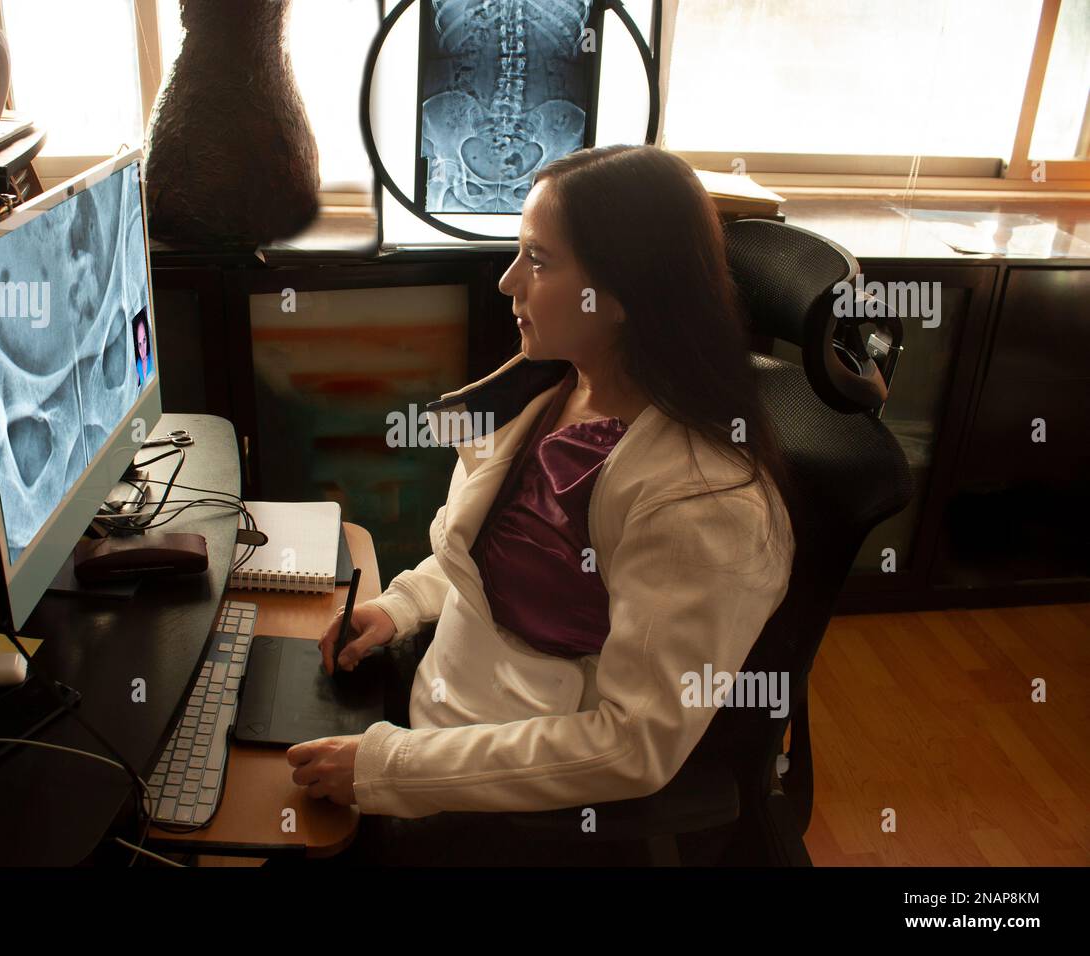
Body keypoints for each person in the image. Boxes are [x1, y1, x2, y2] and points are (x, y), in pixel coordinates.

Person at [286, 145, 797, 864]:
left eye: (538, 260)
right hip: (438, 710)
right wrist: (397, 608)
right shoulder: (560, 387)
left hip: (507, 802)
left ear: (621, 293)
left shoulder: (702, 502)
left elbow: (632, 744)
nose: (506, 282)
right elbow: (494, 555)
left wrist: (389, 769)